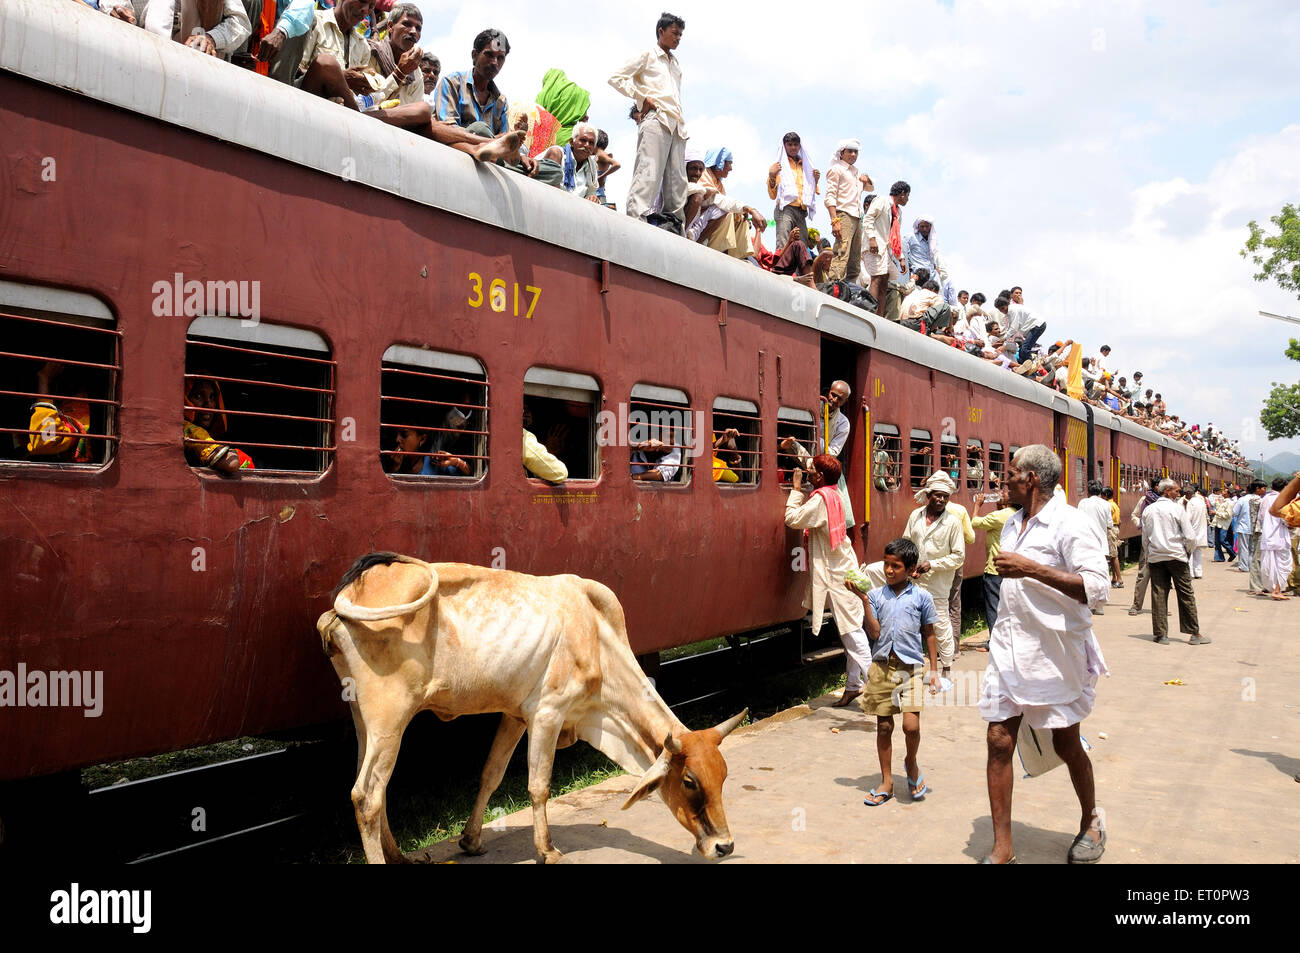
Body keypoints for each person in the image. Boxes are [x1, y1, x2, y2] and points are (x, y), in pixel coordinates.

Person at [979, 445, 1108, 865]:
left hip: (1053, 651)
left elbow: (1097, 590)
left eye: (1011, 473)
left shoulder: (1071, 523)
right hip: (1008, 646)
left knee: (1065, 741)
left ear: (1031, 478)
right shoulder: (1015, 521)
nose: (1005, 479)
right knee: (998, 739)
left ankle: (1091, 820)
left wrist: (1030, 568)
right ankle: (1003, 846)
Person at [854, 538, 940, 806]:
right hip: (882, 668)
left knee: (910, 726)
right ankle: (887, 781)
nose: (889, 571)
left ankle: (911, 763)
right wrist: (864, 600)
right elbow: (874, 632)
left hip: (911, 669)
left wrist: (935, 670)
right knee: (884, 727)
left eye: (896, 566)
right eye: (887, 564)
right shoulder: (877, 596)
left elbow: (930, 634)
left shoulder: (922, 597)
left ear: (911, 568)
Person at [785, 455, 873, 708]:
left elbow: (793, 519)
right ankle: (854, 687)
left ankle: (881, 692)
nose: (808, 472)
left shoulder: (820, 499)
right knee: (853, 633)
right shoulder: (834, 493)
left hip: (838, 577)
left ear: (820, 477)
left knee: (852, 636)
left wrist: (796, 490)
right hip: (845, 568)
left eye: (812, 470)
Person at [609, 13, 689, 233]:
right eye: (674, 33)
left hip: (676, 123)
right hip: (657, 118)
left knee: (677, 183)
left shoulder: (676, 64)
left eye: (681, 35)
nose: (678, 38)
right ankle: (636, 220)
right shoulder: (648, 55)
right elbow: (616, 78)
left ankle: (673, 225)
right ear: (661, 31)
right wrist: (644, 99)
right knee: (648, 171)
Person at [778, 381, 857, 532]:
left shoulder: (843, 423)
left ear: (845, 402)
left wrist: (813, 438)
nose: (834, 400)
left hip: (821, 464)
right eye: (833, 395)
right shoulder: (810, 408)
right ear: (828, 392)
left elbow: (833, 452)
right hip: (800, 460)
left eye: (839, 399)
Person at [1142, 479, 1206, 644]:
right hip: (1177, 556)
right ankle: (1194, 633)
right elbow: (1190, 536)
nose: (1180, 494)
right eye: (1177, 491)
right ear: (1167, 491)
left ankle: (1161, 634)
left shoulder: (1149, 510)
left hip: (1156, 557)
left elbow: (1145, 538)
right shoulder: (1177, 509)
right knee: (1185, 593)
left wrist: (1150, 553)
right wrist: (1188, 551)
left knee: (1159, 594)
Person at [102, 0, 252, 59]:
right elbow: (114, 4)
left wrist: (211, 38)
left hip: (196, 60)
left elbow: (240, 23)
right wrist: (117, 11)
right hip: (139, 52)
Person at [689, 148, 764, 258]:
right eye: (729, 163)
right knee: (726, 211)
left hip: (706, 221)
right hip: (696, 223)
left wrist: (742, 212)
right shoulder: (704, 175)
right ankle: (718, 249)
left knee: (742, 217)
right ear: (721, 162)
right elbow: (719, 201)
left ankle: (739, 255)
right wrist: (748, 209)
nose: (731, 168)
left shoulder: (718, 183)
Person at [183, 375, 254, 473]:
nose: (208, 404)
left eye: (212, 397)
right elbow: (230, 464)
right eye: (198, 396)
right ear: (185, 399)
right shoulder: (183, 431)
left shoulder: (219, 439)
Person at [823, 140, 871, 283]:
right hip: (843, 215)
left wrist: (866, 178)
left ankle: (847, 293)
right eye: (849, 151)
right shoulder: (836, 169)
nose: (853, 154)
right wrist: (834, 220)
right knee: (841, 254)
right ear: (841, 153)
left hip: (857, 217)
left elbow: (870, 188)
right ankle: (833, 289)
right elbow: (830, 196)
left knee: (854, 262)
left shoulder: (855, 172)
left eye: (855, 152)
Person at [971, 487, 1017, 635]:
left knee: (993, 606)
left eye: (1003, 492)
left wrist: (977, 505)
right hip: (1011, 568)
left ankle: (994, 641)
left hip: (994, 568)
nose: (999, 494)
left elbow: (975, 523)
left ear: (1009, 498)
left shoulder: (1000, 516)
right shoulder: (1018, 514)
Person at [767, 132, 818, 250]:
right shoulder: (779, 165)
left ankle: (798, 269)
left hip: (801, 211)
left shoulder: (805, 166)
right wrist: (772, 176)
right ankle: (780, 268)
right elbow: (773, 194)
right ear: (784, 146)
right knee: (783, 243)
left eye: (796, 144)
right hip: (786, 208)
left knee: (802, 248)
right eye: (790, 144)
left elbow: (810, 191)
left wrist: (816, 180)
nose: (793, 147)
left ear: (800, 146)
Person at [1127, 476, 1162, 616]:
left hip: (1163, 544)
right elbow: (1134, 515)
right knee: (1143, 574)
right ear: (1154, 486)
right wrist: (1140, 525)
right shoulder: (1144, 501)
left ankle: (1160, 607)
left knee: (1161, 578)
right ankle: (1136, 605)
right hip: (1147, 543)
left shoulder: (1170, 503)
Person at [1077, 480, 1113, 614]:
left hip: (1085, 543)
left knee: (1086, 574)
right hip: (1101, 544)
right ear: (1100, 492)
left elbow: (1078, 520)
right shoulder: (1106, 504)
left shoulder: (1082, 503)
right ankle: (1100, 606)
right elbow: (1110, 524)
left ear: (1088, 491)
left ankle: (1088, 604)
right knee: (1102, 574)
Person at [535, 67, 590, 147]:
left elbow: (536, 118)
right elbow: (584, 119)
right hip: (569, 139)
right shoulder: (579, 92)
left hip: (545, 140)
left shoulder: (543, 94)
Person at [1260, 476, 1295, 600]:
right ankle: (1277, 589)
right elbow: (1286, 518)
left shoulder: (1265, 499)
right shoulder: (1284, 500)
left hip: (1267, 536)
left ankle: (1271, 587)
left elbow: (1261, 517)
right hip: (1280, 536)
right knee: (1284, 564)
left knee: (1269, 564)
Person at [903, 216, 952, 303]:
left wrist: (935, 267)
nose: (924, 229)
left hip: (932, 275)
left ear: (930, 227)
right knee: (918, 298)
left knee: (936, 299)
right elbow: (903, 251)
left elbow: (933, 256)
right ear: (918, 227)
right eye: (922, 226)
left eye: (927, 226)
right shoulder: (911, 237)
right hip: (919, 275)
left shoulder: (932, 240)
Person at [522, 404, 567, 483]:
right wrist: (550, 452)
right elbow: (559, 473)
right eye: (521, 407)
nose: (525, 411)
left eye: (527, 408)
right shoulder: (523, 437)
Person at [561, 123, 602, 200]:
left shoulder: (592, 167)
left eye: (591, 143)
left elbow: (591, 192)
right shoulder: (559, 155)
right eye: (583, 140)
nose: (587, 145)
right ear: (571, 142)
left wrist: (592, 198)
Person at [1245, 480, 1268, 594]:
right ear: (1257, 489)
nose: (1265, 490)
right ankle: (1255, 586)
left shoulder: (1258, 499)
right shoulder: (1256, 499)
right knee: (1256, 559)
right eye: (1263, 488)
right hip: (1259, 530)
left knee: (1259, 559)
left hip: (1258, 530)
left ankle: (1259, 584)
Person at [1102, 487, 1124, 586]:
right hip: (1115, 528)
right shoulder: (1114, 504)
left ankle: (1119, 579)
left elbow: (1108, 520)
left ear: (1106, 495)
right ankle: (1114, 578)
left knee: (1113, 555)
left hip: (1111, 529)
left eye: (1102, 495)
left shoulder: (1108, 505)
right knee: (1112, 555)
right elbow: (1119, 521)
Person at [1231, 487, 1254, 577]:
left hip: (1243, 526)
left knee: (1243, 547)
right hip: (1255, 527)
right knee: (1252, 548)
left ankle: (1244, 566)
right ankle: (1251, 566)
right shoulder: (1259, 499)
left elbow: (1234, 512)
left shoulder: (1242, 499)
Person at [1211, 491, 1235, 563]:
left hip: (1224, 524)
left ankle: (1232, 553)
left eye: (1224, 492)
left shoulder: (1229, 503)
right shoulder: (1223, 501)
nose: (1222, 492)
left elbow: (1228, 515)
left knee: (1222, 540)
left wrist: (1216, 513)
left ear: (1228, 494)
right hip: (1218, 522)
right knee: (1217, 542)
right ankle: (1219, 557)